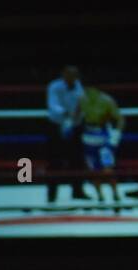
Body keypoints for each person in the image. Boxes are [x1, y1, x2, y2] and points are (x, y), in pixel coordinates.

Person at [71, 86, 125, 206]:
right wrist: (71, 124)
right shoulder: (82, 99)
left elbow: (120, 119)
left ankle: (116, 196)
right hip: (88, 137)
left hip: (104, 137)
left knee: (107, 169)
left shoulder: (107, 100)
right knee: (94, 170)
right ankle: (100, 198)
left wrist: (116, 134)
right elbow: (75, 116)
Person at [45, 65, 86, 203]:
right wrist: (67, 113)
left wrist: (78, 114)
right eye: (70, 75)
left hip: (74, 126)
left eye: (75, 75)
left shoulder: (78, 85)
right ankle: (51, 195)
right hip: (56, 125)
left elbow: (81, 103)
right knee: (54, 161)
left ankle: (78, 191)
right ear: (63, 75)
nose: (72, 78)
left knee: (77, 160)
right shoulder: (54, 86)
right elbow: (53, 105)